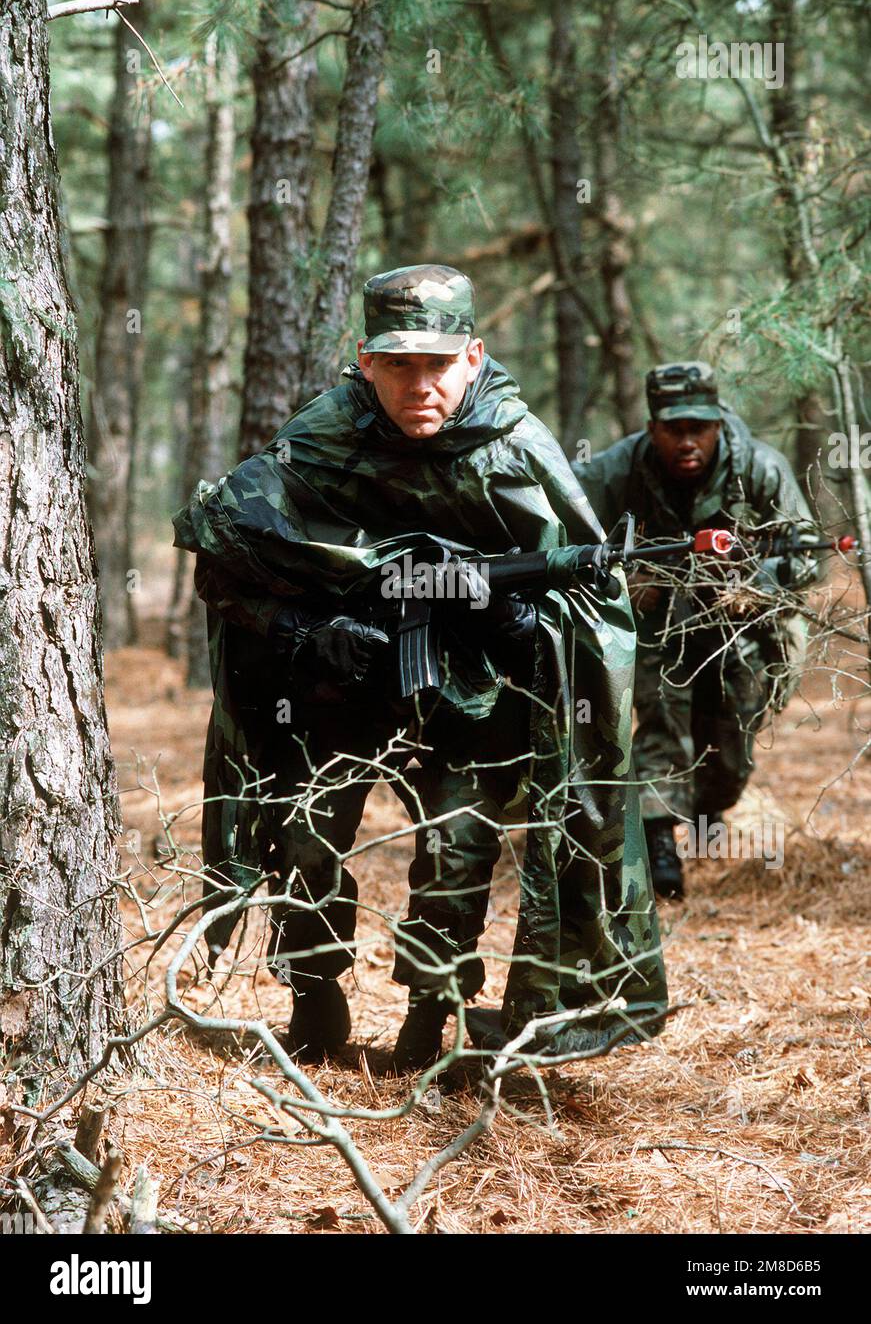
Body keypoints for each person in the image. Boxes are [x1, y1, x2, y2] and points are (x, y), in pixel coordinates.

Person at [173, 264, 667, 1071]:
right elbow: (222, 566)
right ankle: (314, 997)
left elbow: (589, 602)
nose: (418, 387)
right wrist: (305, 630)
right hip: (335, 690)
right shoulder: (316, 442)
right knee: (302, 838)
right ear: (365, 362)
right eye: (398, 367)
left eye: (436, 366)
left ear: (472, 358)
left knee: (460, 845)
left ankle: (429, 1015)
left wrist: (511, 619)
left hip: (467, 696)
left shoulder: (512, 447)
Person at [573, 362, 819, 900]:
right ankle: (659, 837)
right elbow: (568, 547)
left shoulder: (758, 467)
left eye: (699, 428)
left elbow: (806, 560)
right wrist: (620, 582)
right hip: (657, 621)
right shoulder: (615, 471)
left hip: (743, 626)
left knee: (733, 748)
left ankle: (705, 811)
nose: (688, 441)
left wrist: (755, 583)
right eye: (674, 428)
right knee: (661, 710)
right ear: (653, 427)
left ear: (717, 425)